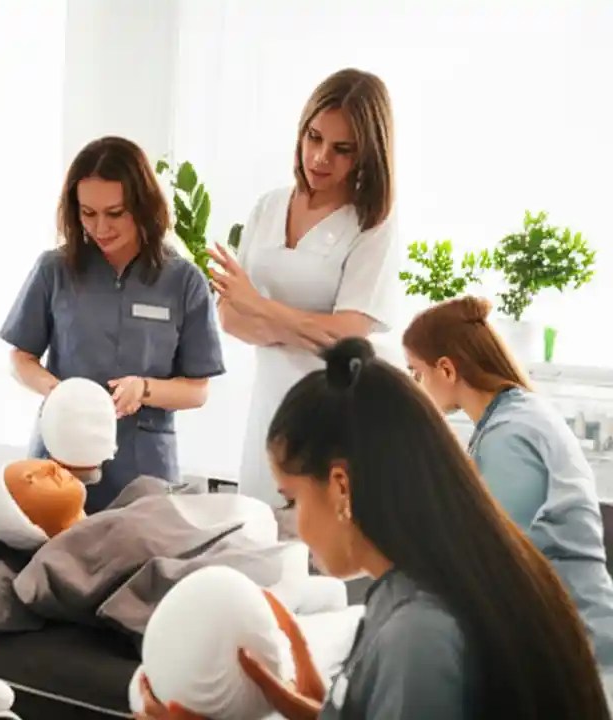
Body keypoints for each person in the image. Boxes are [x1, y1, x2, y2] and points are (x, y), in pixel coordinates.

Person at [136, 338, 609, 720]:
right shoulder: (413, 589)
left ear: (341, 484)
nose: (292, 520)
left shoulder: (420, 635)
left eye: (291, 498)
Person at [0, 136, 225, 512]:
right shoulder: (54, 270)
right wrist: (58, 392)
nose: (100, 227)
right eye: (88, 213)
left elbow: (197, 389)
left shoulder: (183, 281)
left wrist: (144, 389)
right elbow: (20, 358)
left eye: (115, 213)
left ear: (143, 206)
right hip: (59, 458)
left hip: (143, 466)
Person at [209, 68, 402, 507]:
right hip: (267, 409)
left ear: (368, 153)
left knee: (316, 558)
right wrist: (305, 332)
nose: (320, 158)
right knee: (259, 539)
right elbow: (230, 316)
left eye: (341, 149)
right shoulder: (270, 206)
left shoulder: (372, 224)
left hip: (333, 417)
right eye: (313, 138)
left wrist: (261, 307)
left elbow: (349, 335)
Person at [403, 295, 613, 665]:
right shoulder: (515, 415)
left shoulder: (509, 435)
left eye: (416, 372)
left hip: (574, 645)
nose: (415, 384)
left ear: (447, 370)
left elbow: (496, 557)